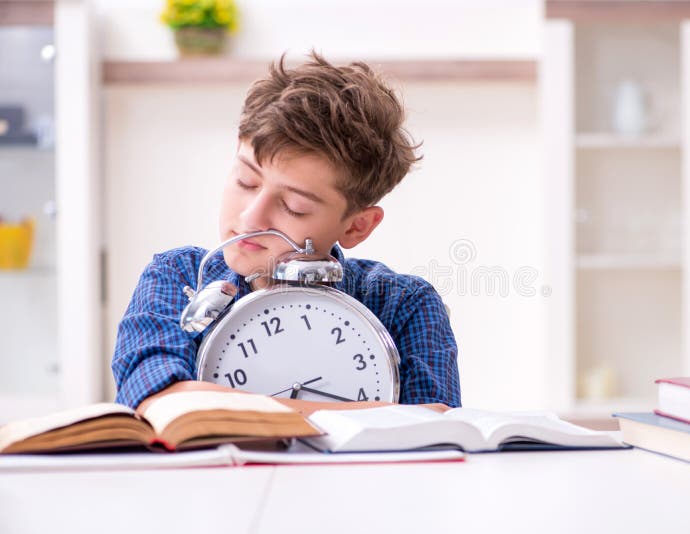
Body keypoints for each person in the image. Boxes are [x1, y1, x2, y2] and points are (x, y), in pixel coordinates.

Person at [112, 52, 461, 414]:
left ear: (357, 225)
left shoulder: (403, 304)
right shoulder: (178, 275)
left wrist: (213, 403)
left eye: (294, 206)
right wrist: (378, 417)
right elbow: (156, 401)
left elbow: (436, 433)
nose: (251, 217)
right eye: (246, 181)